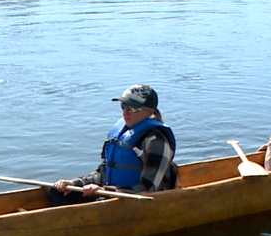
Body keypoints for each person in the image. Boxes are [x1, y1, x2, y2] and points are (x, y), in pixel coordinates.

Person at [48, 84, 179, 206]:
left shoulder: (157, 141)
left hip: (136, 200)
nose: (125, 112)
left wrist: (105, 190)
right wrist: (75, 183)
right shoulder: (122, 133)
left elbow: (148, 188)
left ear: (150, 112)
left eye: (133, 108)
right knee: (57, 192)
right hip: (112, 193)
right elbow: (103, 173)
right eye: (123, 106)